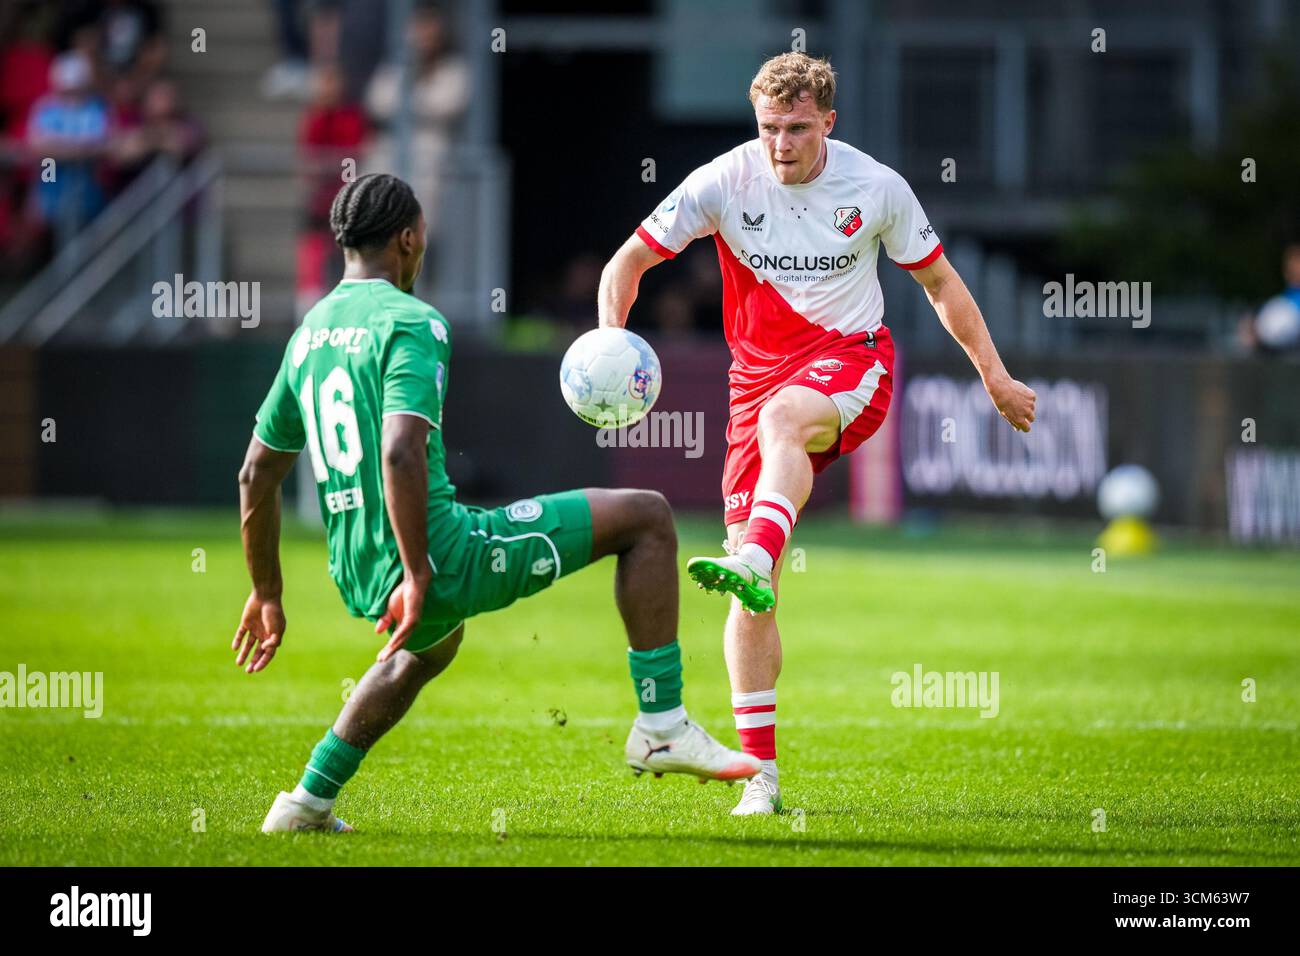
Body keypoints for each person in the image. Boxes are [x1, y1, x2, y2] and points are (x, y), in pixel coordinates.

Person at [236, 174, 758, 833]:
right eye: (423, 231)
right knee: (648, 516)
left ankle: (305, 802)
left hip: (356, 565)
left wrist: (268, 590)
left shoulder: (310, 331)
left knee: (427, 650)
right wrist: (422, 571)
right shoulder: (413, 321)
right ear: (408, 237)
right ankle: (661, 725)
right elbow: (400, 451)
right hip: (438, 556)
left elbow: (257, 471)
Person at [597, 53, 1036, 816]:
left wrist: (994, 376)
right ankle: (760, 780)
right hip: (754, 383)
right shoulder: (725, 180)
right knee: (751, 594)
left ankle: (759, 557)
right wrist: (608, 340)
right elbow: (628, 260)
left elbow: (940, 285)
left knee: (782, 429)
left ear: (827, 122)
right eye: (769, 128)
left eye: (797, 129)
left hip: (852, 363)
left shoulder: (876, 188)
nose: (780, 145)